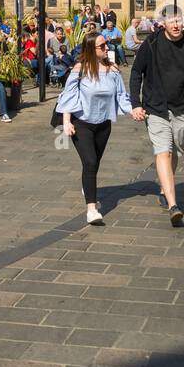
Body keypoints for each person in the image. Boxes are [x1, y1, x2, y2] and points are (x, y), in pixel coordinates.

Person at [130, 16, 184, 227]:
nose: (176, 25)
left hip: (181, 107)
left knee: (175, 152)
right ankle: (173, 205)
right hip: (155, 106)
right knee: (163, 152)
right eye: (172, 21)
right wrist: (136, 104)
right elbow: (135, 73)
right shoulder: (151, 44)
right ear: (163, 24)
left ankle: (163, 188)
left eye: (179, 21)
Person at [58, 33, 133, 224]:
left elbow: (121, 96)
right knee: (90, 162)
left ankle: (87, 184)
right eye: (102, 45)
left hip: (103, 124)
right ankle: (92, 210)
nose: (107, 48)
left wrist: (135, 111)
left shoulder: (112, 70)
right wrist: (66, 122)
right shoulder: (79, 69)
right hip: (81, 123)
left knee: (94, 163)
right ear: (91, 49)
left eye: (106, 44)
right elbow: (69, 96)